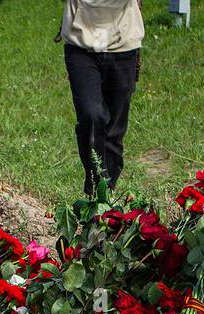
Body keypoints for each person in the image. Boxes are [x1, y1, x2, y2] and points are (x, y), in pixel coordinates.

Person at [58, 0, 144, 196]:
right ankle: (96, 186)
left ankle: (105, 196)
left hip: (123, 44)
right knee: (91, 115)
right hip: (80, 43)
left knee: (115, 129)